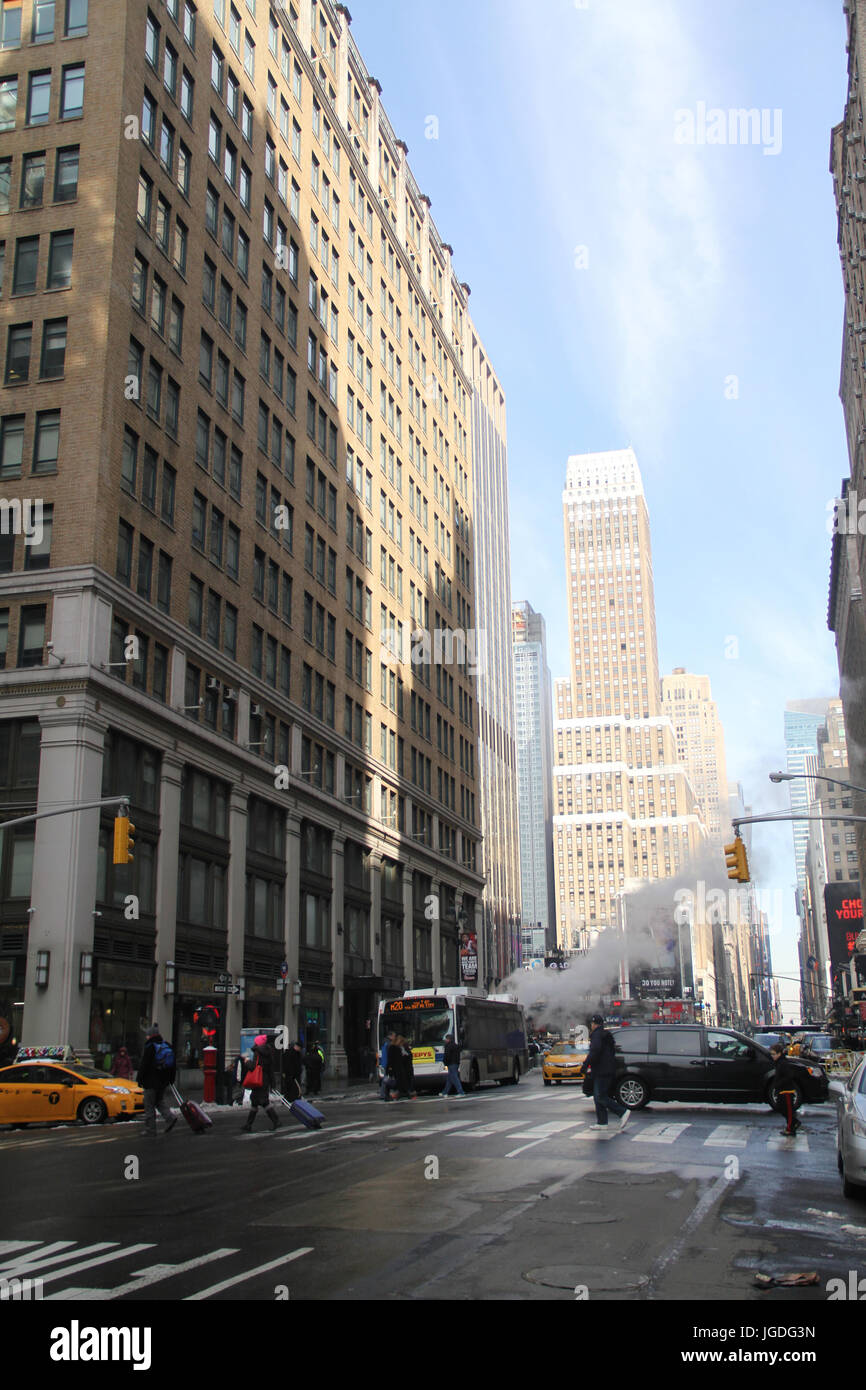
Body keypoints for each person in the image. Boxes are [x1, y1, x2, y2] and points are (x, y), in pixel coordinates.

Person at [585, 1014, 630, 1132]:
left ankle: (622, 1111)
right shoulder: (606, 1035)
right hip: (608, 1069)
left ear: (594, 1024)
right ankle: (602, 1122)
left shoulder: (596, 1035)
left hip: (601, 1070)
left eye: (592, 1024)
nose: (591, 1025)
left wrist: (585, 1064)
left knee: (600, 1096)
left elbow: (595, 1051)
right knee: (598, 1096)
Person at [137, 1025, 178, 1136]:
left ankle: (150, 1129)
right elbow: (173, 1065)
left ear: (150, 1035)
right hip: (163, 1082)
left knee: (149, 1104)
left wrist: (139, 1079)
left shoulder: (150, 1046)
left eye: (147, 1035)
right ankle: (170, 1117)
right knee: (159, 1101)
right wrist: (171, 1079)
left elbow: (144, 1065)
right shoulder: (167, 1045)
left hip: (150, 1081)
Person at [242, 1034, 281, 1132]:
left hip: (258, 1080)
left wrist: (246, 1061)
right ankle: (248, 1124)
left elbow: (253, 1067)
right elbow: (270, 1070)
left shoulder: (258, 1052)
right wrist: (273, 1084)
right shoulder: (268, 1053)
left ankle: (276, 1121)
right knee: (255, 1102)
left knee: (263, 1102)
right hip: (265, 1080)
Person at [771, 1044, 802, 1136]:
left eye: (774, 1054)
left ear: (779, 1053)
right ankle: (793, 1124)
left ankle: (790, 1128)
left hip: (787, 1090)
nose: (772, 1056)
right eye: (771, 1054)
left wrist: (779, 1084)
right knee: (782, 1109)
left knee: (788, 1111)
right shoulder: (779, 1063)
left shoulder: (783, 1063)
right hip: (781, 1090)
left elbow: (789, 1076)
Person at [390, 1035, 417, 1100]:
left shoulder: (403, 1048)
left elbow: (407, 1057)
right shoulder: (397, 1048)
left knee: (404, 1082)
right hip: (402, 1069)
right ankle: (407, 1094)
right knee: (403, 1083)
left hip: (405, 1069)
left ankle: (405, 1094)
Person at [441, 1033, 466, 1098]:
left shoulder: (448, 1046)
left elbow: (447, 1055)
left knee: (454, 1078)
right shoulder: (456, 1045)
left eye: (446, 1039)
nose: (445, 1040)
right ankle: (445, 1092)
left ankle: (461, 1092)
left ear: (448, 1039)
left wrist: (445, 1062)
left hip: (451, 1063)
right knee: (450, 1078)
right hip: (456, 1063)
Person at [378, 1030, 398, 1101]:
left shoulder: (384, 1042)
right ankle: (384, 1094)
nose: (395, 1038)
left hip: (383, 1063)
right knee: (386, 1079)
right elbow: (390, 1055)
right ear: (391, 1036)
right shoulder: (389, 1044)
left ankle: (383, 1094)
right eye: (394, 1036)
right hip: (387, 1063)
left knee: (384, 1079)